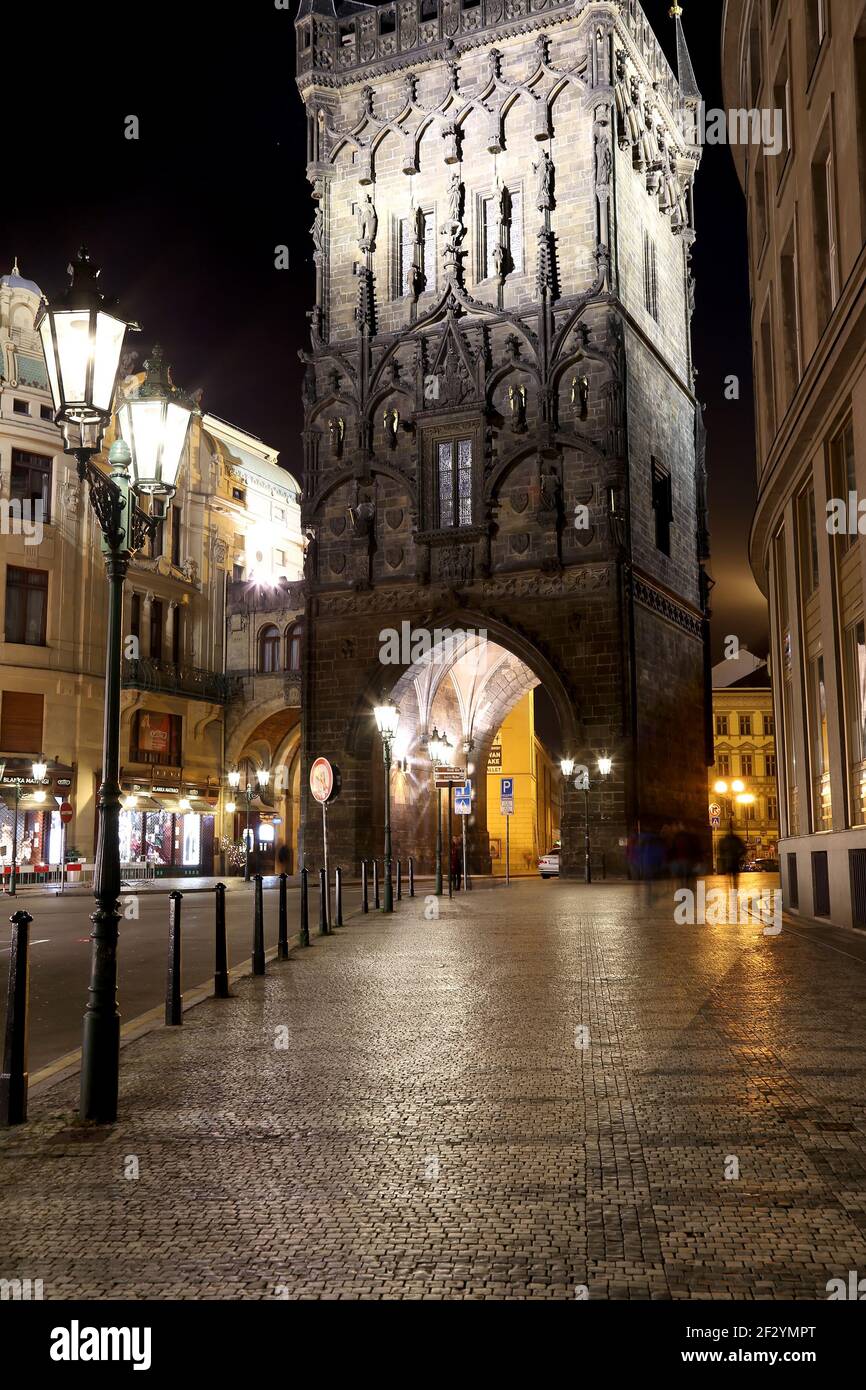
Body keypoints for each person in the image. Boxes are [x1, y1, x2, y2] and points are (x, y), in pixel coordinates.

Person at [717, 828, 746, 892]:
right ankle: (734, 889)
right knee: (734, 876)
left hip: (729, 862)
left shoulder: (725, 840)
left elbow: (720, 849)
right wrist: (739, 856)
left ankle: (732, 889)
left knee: (730, 876)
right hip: (734, 861)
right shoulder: (736, 840)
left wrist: (723, 857)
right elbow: (743, 849)